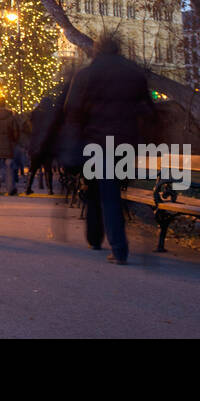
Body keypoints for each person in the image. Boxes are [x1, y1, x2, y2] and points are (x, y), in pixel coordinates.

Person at [61, 32, 153, 265]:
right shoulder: (133, 73)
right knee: (114, 190)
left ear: (96, 50)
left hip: (98, 143)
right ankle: (115, 235)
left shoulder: (86, 75)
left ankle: (118, 246)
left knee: (107, 193)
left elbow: (72, 111)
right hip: (127, 142)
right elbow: (148, 108)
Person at [26, 78, 70, 195]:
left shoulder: (35, 113)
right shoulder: (53, 114)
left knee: (33, 168)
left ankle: (28, 187)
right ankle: (50, 189)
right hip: (48, 145)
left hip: (36, 144)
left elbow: (28, 126)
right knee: (48, 168)